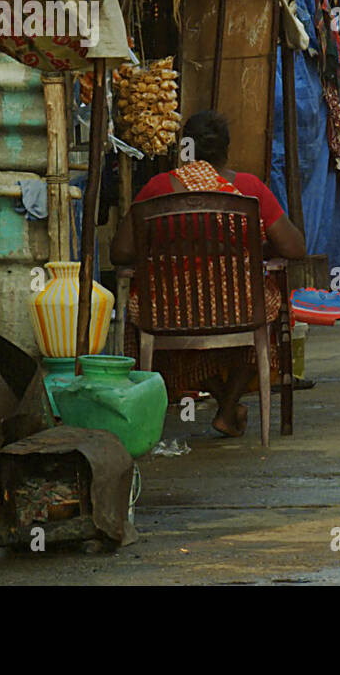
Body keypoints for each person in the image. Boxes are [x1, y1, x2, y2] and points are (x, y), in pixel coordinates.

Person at [111, 110, 307, 438]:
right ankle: (228, 408)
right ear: (226, 150)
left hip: (169, 314)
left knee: (159, 309)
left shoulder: (157, 188)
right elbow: (294, 247)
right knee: (267, 303)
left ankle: (227, 407)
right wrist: (255, 247)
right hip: (239, 311)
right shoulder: (249, 188)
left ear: (183, 148)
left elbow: (119, 253)